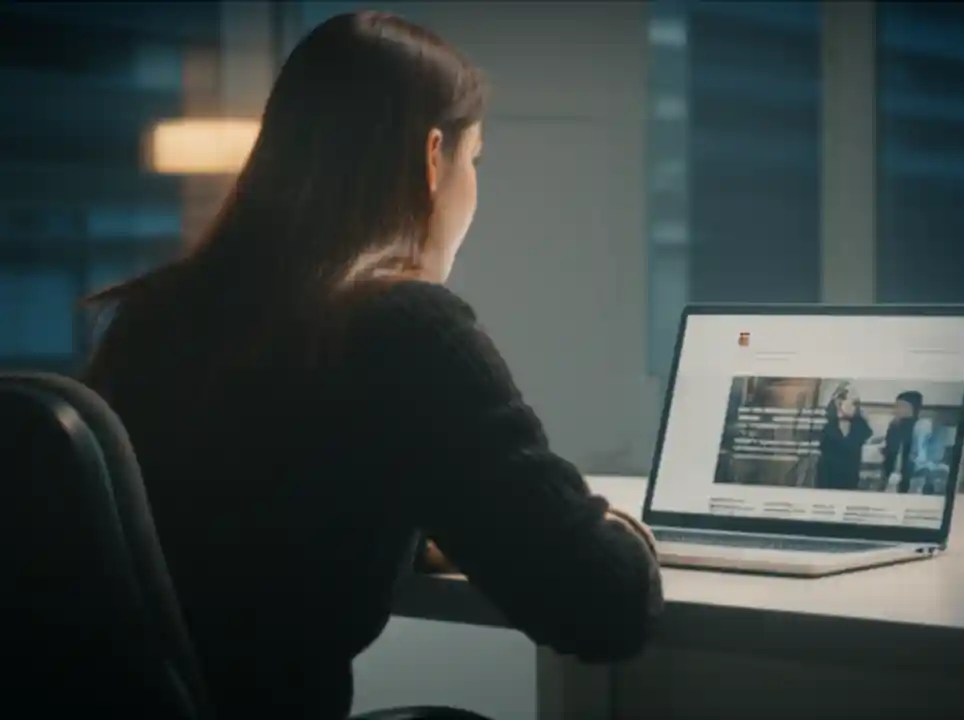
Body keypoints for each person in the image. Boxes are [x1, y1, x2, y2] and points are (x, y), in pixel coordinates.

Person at [83, 12, 661, 720]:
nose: (473, 187)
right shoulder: (404, 327)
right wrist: (622, 531)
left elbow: (256, 509)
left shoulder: (152, 319)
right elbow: (600, 603)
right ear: (431, 156)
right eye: (473, 161)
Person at [814, 382, 873, 490]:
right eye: (853, 402)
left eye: (856, 403)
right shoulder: (827, 426)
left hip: (850, 482)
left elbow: (863, 437)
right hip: (828, 482)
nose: (856, 406)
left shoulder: (860, 426)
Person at [882, 390, 926, 493]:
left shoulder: (910, 427)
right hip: (898, 472)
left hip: (903, 473)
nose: (896, 410)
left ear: (911, 408)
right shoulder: (896, 425)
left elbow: (896, 450)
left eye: (900, 406)